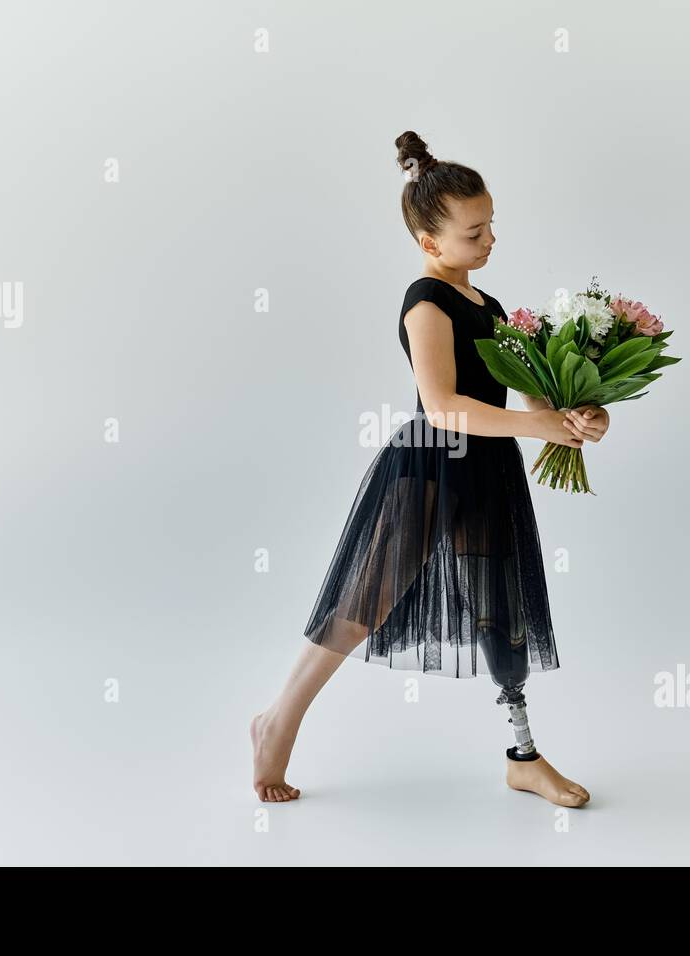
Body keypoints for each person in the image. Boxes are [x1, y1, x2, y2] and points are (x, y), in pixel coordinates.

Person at [250, 131, 609, 806]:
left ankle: (523, 756)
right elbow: (442, 405)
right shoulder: (426, 302)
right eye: (474, 233)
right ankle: (278, 720)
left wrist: (579, 419)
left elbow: (537, 401)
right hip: (432, 468)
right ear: (429, 243)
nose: (490, 241)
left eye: (491, 225)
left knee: (502, 611)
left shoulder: (492, 309)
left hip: (488, 472)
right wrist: (537, 424)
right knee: (363, 605)